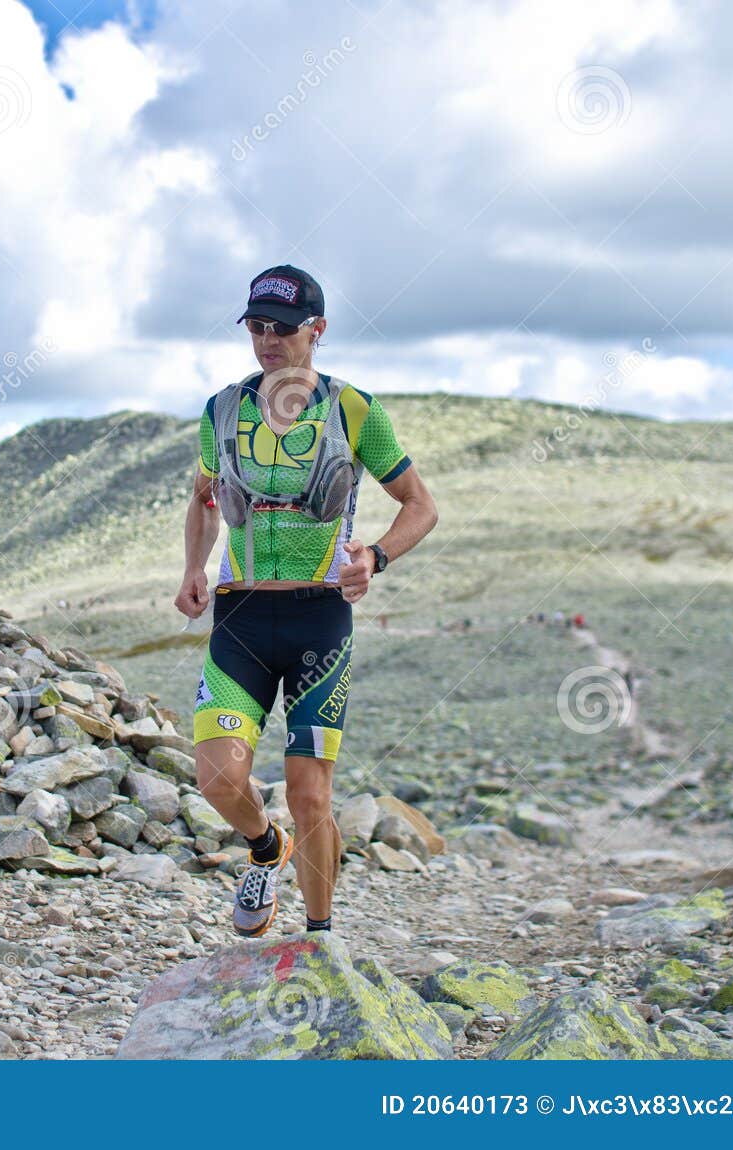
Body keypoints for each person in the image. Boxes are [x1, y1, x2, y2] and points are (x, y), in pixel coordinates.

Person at [174, 264, 439, 938]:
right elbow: (204, 498)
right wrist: (193, 567)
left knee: (310, 793)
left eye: (283, 329)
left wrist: (375, 555)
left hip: (320, 620)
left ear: (317, 331)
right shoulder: (222, 410)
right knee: (217, 780)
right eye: (257, 327)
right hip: (240, 618)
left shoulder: (354, 410)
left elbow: (421, 506)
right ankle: (267, 848)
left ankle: (320, 940)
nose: (267, 340)